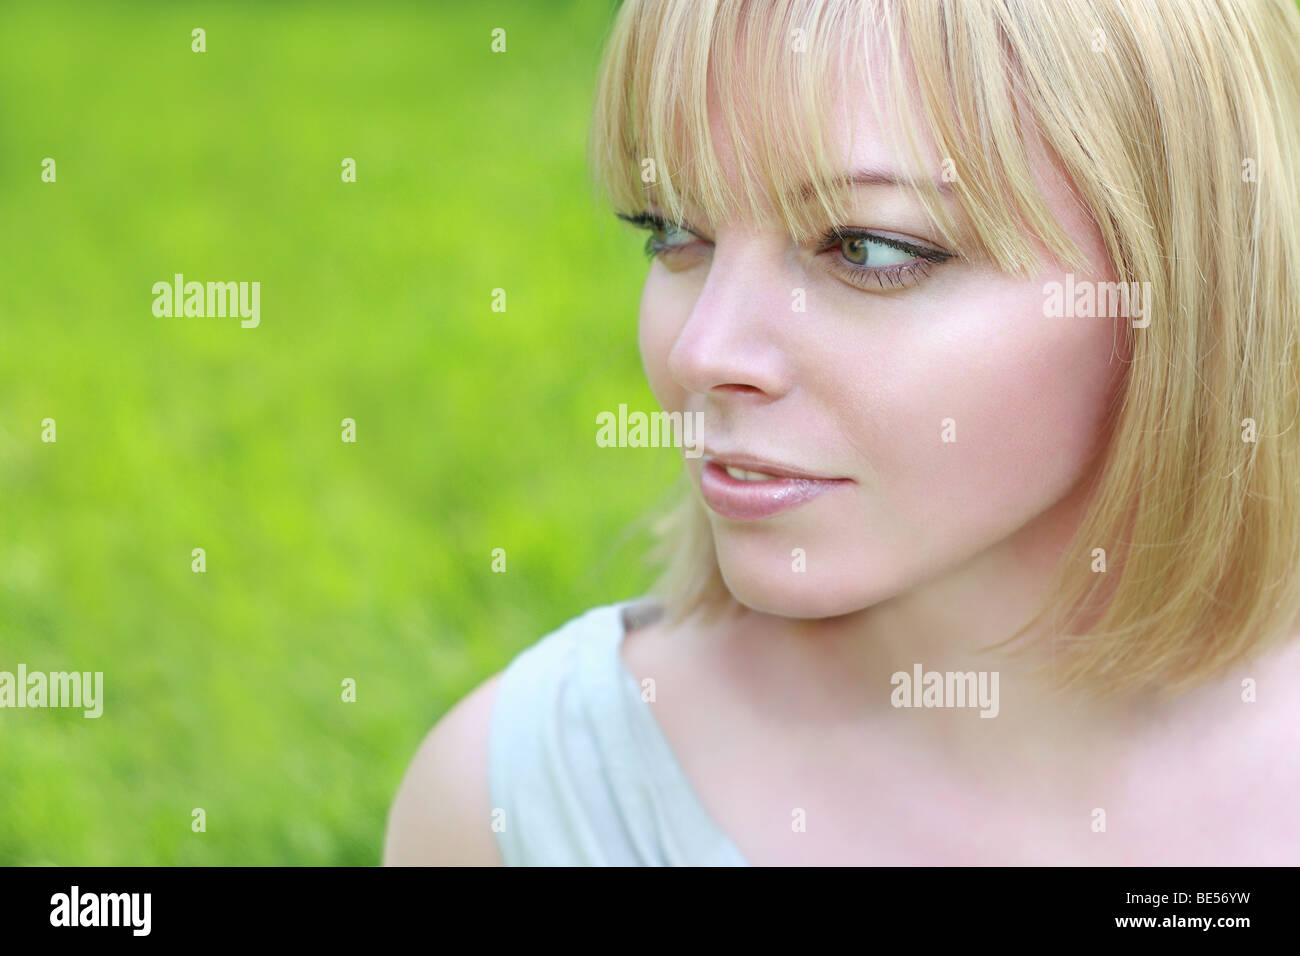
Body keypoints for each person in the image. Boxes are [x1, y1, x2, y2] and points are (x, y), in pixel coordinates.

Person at [385, 0, 1300, 866]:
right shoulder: (524, 810)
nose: (704, 352)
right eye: (670, 232)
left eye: (867, 248)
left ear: (1185, 281)